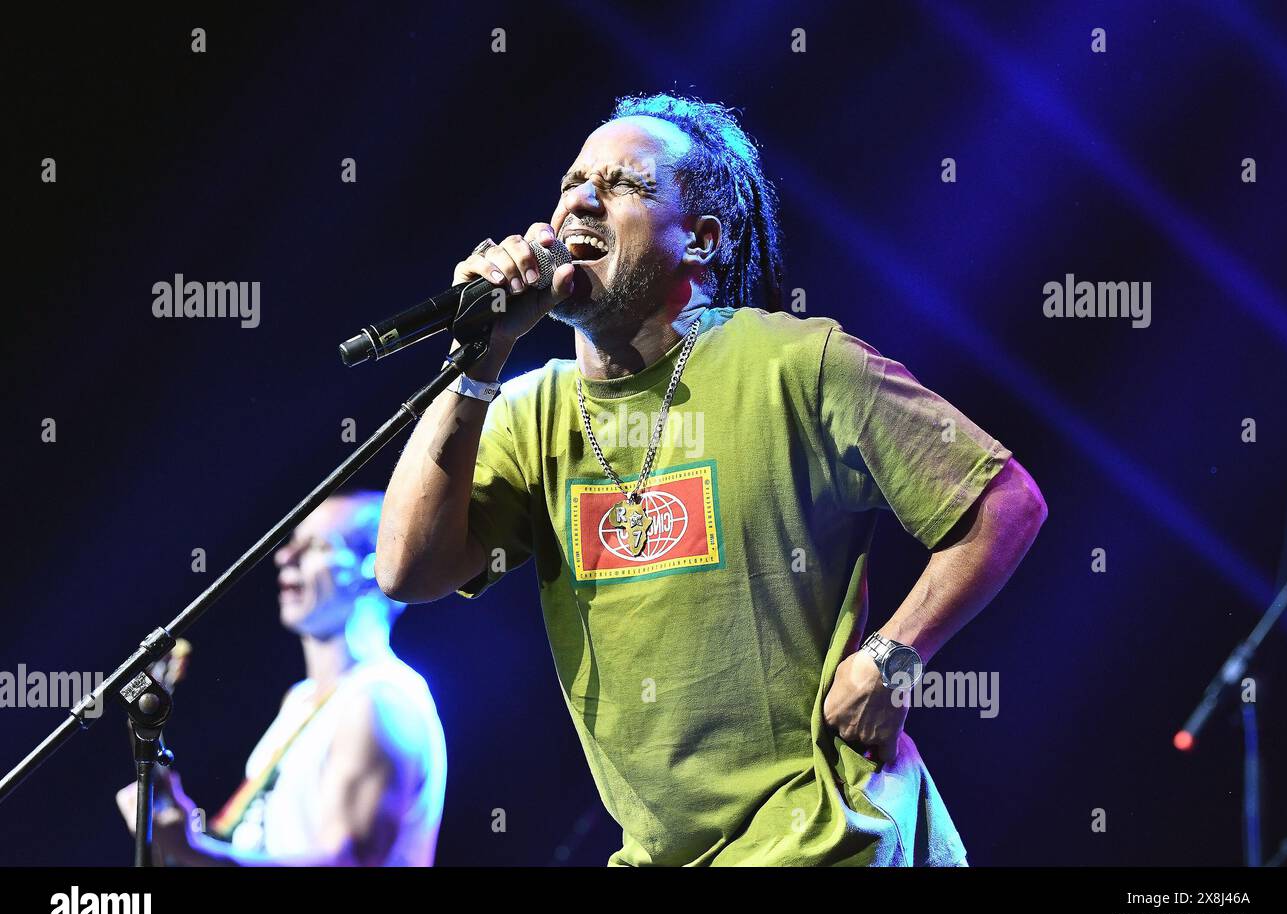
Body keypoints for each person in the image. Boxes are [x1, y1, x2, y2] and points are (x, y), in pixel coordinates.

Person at [376, 93, 1047, 866]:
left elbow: (1005, 500)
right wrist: (480, 358)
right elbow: (408, 568)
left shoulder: (796, 363)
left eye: (624, 184)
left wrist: (895, 657)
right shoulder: (531, 412)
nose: (580, 201)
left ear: (700, 240)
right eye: (572, 182)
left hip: (828, 837)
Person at [118, 491, 446, 866]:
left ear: (374, 573)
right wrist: (180, 835)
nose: (285, 556)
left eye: (317, 546)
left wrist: (192, 848)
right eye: (292, 543)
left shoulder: (380, 701)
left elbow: (347, 863)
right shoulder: (301, 700)